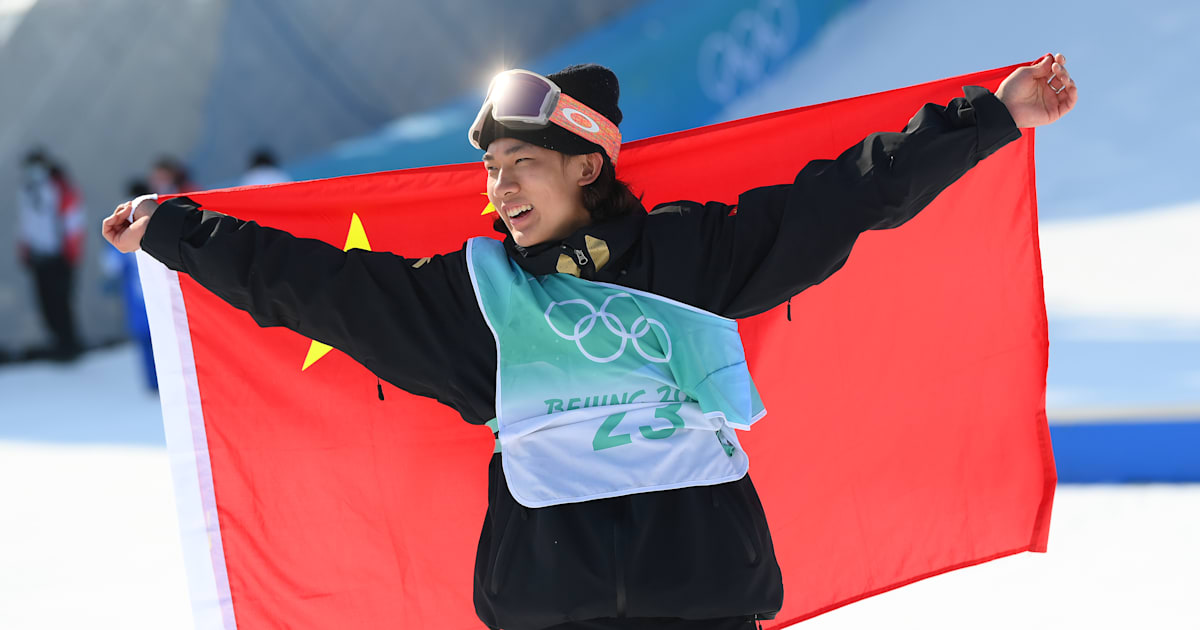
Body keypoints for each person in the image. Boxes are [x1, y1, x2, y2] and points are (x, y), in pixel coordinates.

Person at [104, 54, 1077, 629]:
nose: (500, 193)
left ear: (587, 162)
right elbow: (318, 288)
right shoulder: (476, 300)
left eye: (521, 166)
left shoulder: (698, 255)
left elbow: (850, 195)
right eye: (491, 172)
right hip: (547, 612)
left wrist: (991, 116)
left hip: (705, 605)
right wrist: (180, 234)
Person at [18, 149, 84, 361]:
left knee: (61, 301)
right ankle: (56, 340)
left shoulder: (59, 188)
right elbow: (25, 224)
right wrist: (24, 249)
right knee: (45, 302)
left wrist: (71, 253)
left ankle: (69, 343)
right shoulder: (26, 190)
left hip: (58, 255)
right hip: (38, 256)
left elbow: (73, 221)